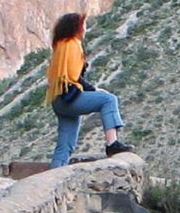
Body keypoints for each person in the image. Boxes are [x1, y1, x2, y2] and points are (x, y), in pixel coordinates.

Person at [45, 11, 133, 167]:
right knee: (109, 99)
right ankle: (112, 144)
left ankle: (54, 173)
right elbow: (72, 76)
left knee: (65, 144)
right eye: (83, 26)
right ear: (76, 28)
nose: (85, 29)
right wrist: (94, 90)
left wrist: (92, 89)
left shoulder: (60, 46)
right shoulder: (73, 45)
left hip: (58, 99)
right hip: (70, 97)